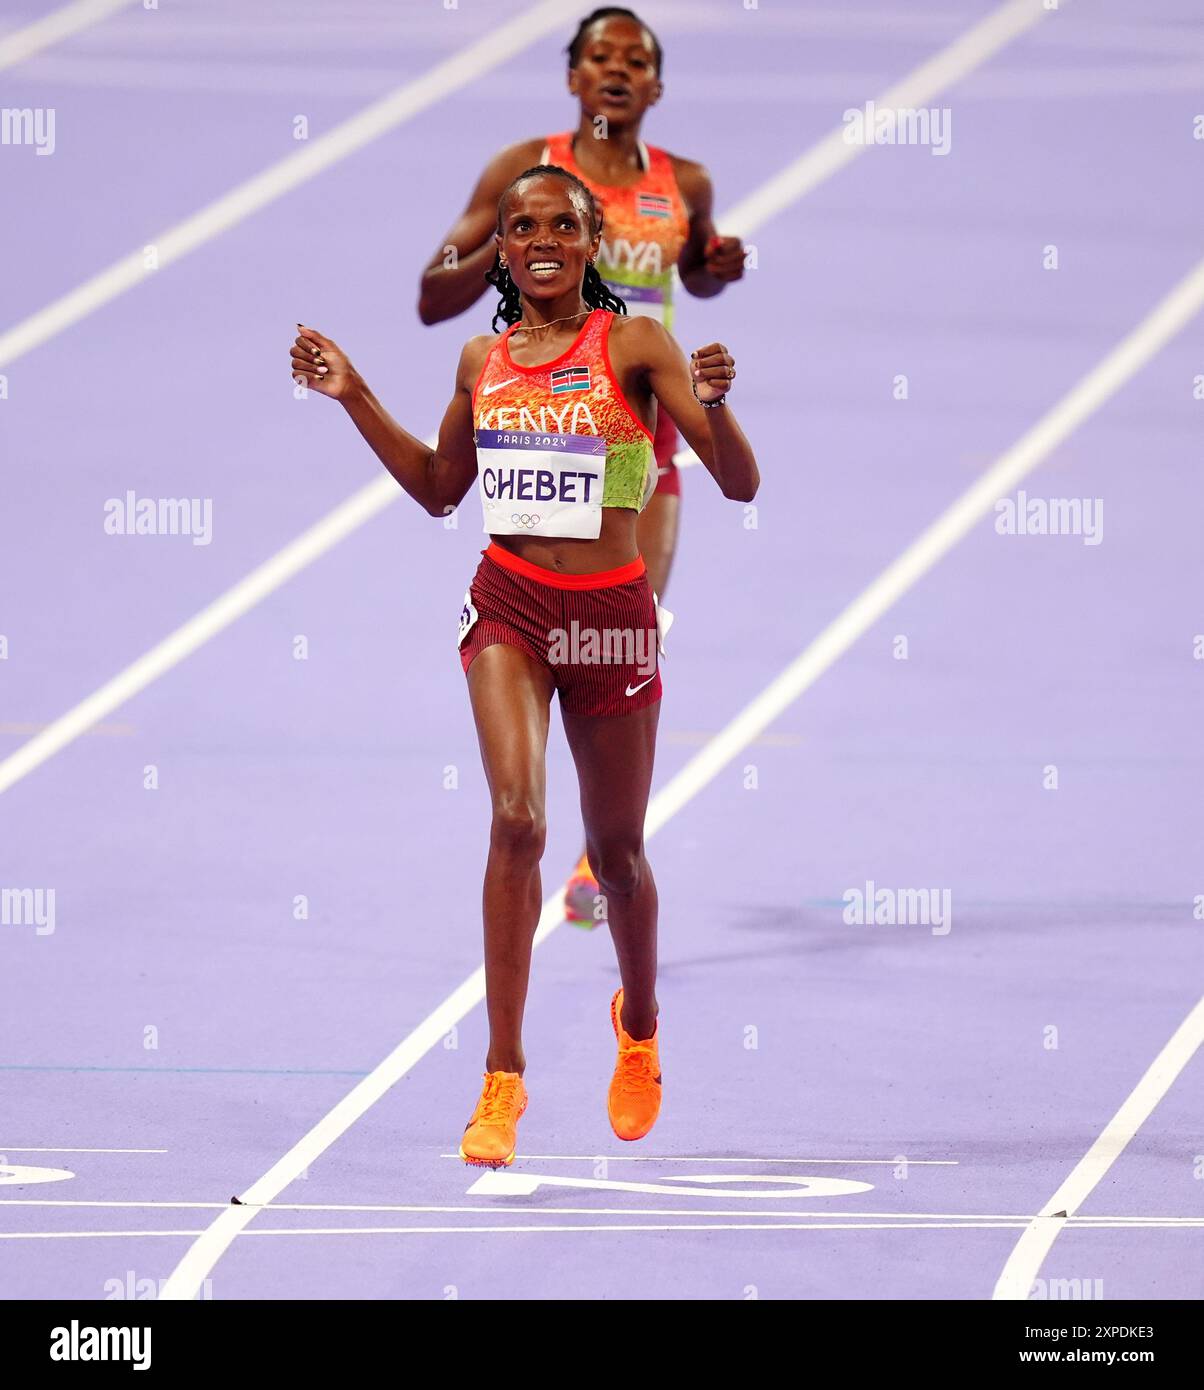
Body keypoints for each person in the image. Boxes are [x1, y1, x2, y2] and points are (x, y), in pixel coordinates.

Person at [291, 165, 757, 1167]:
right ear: (500, 249)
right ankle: (501, 1077)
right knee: (517, 820)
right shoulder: (479, 358)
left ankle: (636, 1023)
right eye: (520, 225)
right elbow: (436, 489)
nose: (540, 237)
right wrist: (354, 393)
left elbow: (739, 480)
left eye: (560, 222)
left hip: (611, 624)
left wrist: (718, 406)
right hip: (509, 605)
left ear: (589, 241)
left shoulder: (633, 343)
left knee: (619, 854)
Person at [417, 7, 745, 923]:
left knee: (630, 615)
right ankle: (561, 834)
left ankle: (607, 851)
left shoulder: (686, 182)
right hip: (540, 423)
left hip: (637, 438)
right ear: (573, 77)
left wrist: (717, 266)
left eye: (635, 59)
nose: (616, 69)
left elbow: (703, 276)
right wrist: (522, 247)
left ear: (655, 87)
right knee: (547, 620)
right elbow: (432, 294)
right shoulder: (522, 177)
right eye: (599, 54)